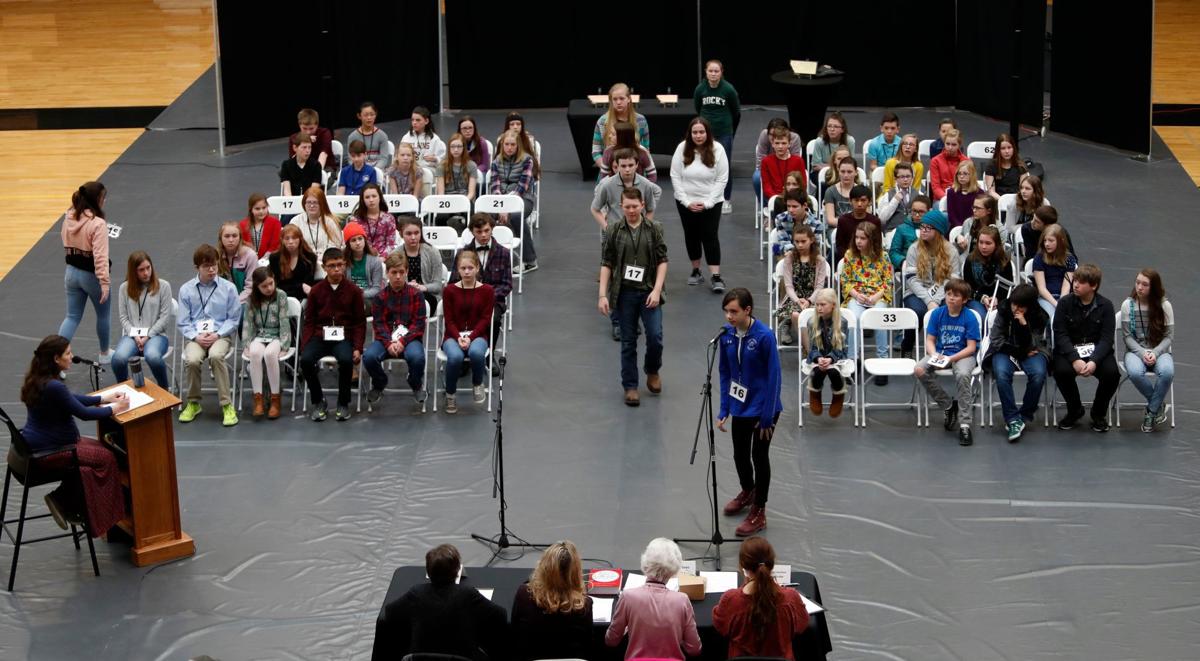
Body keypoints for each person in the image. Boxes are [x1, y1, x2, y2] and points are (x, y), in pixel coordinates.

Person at [19, 335, 130, 535]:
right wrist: (115, 408)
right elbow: (84, 414)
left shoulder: (38, 378)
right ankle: (101, 518)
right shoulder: (53, 386)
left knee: (96, 453)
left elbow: (70, 399)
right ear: (55, 359)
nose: (72, 357)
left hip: (38, 445)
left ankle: (65, 499)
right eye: (68, 353)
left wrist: (103, 397)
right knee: (107, 458)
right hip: (53, 450)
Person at [717, 288, 783, 536]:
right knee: (739, 455)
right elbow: (725, 373)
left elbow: (774, 377)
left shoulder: (765, 336)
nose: (728, 316)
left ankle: (759, 511)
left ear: (748, 310)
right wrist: (725, 408)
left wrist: (767, 416)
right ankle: (748, 490)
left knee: (759, 456)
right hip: (741, 406)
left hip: (765, 408)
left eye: (733, 311)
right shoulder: (727, 337)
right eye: (726, 311)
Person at [600, 188, 668, 406]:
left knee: (655, 336)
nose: (630, 210)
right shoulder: (613, 230)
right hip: (625, 293)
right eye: (626, 206)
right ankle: (630, 385)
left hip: (649, 291)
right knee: (628, 341)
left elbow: (662, 260)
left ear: (642, 205)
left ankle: (652, 370)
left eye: (634, 206)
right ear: (621, 206)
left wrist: (657, 289)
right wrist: (603, 294)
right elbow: (606, 263)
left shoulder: (655, 228)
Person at [380, 544, 507, 661]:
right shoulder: (467, 594)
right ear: (457, 570)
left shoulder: (416, 593)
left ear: (428, 571)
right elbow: (501, 614)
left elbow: (390, 612)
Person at [712, 537, 810, 660]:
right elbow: (802, 625)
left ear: (742, 565)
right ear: (772, 563)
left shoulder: (731, 600)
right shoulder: (791, 598)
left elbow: (719, 624)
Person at [177, 244, 242, 426]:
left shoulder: (229, 288)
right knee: (192, 359)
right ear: (197, 268)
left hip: (220, 336)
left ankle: (227, 405)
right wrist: (196, 336)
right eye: (206, 266)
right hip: (196, 336)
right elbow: (183, 321)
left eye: (214, 264)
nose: (212, 269)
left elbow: (234, 318)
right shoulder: (186, 290)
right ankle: (194, 402)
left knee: (215, 355)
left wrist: (218, 334)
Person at [605, 538, 701, 660]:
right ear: (675, 568)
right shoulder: (682, 600)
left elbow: (611, 641)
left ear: (645, 563)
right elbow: (694, 649)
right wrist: (678, 636)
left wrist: (628, 628)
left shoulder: (628, 597)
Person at [300, 248, 365, 422]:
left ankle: (343, 403)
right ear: (324, 267)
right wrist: (305, 345)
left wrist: (358, 347)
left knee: (346, 360)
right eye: (332, 266)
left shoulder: (354, 291)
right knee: (305, 360)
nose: (336, 269)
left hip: (343, 337)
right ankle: (318, 401)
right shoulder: (316, 291)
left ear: (345, 265)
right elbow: (309, 321)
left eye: (340, 265)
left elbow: (359, 323)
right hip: (320, 335)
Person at [1052, 264, 1119, 432]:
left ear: (1093, 286)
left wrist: (1095, 361)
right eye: (1075, 281)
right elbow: (1060, 334)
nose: (1075, 285)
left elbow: (1106, 339)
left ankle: (1098, 413)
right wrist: (1074, 358)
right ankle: (1075, 410)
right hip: (1070, 351)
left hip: (1096, 352)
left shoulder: (1106, 306)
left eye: (1081, 282)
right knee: (1060, 371)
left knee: (1112, 374)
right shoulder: (1064, 303)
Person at [914, 278, 981, 445]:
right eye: (949, 294)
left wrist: (951, 358)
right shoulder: (938, 313)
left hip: (963, 355)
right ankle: (948, 404)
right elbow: (930, 340)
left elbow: (971, 347)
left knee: (963, 375)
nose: (951, 298)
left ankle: (965, 424)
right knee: (919, 369)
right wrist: (935, 355)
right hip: (941, 353)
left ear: (964, 299)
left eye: (956, 295)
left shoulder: (970, 317)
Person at [982, 283, 1049, 442]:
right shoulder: (1004, 309)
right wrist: (1018, 352)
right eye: (1014, 303)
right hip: (1006, 350)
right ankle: (1012, 418)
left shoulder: (1039, 316)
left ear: (1030, 307)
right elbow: (996, 340)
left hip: (1032, 351)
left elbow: (1035, 344)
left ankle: (1023, 417)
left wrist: (1024, 325)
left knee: (1039, 374)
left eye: (1020, 306)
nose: (1015, 308)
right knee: (1001, 373)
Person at [671, 116, 729, 292]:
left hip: (711, 202)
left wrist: (709, 203)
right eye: (695, 132)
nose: (698, 135)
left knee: (710, 236)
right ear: (690, 134)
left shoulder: (718, 149)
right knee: (691, 235)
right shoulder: (682, 148)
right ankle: (696, 270)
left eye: (701, 132)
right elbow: (675, 176)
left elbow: (722, 178)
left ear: (707, 133)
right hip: (686, 202)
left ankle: (716, 276)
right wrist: (686, 202)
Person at [510, 541, 593, 661]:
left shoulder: (523, 594)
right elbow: (588, 647)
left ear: (544, 568)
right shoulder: (584, 605)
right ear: (575, 572)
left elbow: (515, 635)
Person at [58, 181, 112, 363]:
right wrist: (104, 282)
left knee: (71, 317)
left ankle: (54, 362)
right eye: (103, 198)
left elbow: (64, 240)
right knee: (103, 315)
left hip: (71, 273)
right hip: (91, 276)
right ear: (97, 200)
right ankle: (104, 354)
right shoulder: (97, 224)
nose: (104, 201)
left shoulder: (69, 217)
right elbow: (100, 257)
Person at [365, 253, 428, 407]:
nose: (398, 276)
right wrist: (389, 343)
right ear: (387, 273)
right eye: (394, 272)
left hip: (410, 339)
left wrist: (401, 341)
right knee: (369, 356)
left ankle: (415, 383)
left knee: (418, 357)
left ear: (406, 271)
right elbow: (379, 325)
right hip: (386, 339)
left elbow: (418, 324)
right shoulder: (379, 297)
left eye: (401, 272)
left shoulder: (416, 295)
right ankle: (380, 382)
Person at [1121, 268, 1174, 432]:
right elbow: (1127, 337)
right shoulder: (1127, 305)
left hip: (1159, 350)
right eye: (1137, 283)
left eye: (1145, 284)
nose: (1139, 287)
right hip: (1135, 351)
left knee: (1167, 372)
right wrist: (1143, 353)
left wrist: (1155, 352)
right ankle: (1157, 406)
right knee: (1135, 372)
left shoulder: (1165, 306)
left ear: (1154, 287)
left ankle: (1151, 412)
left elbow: (1169, 336)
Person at [441, 250, 494, 414]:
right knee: (455, 357)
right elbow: (448, 320)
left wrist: (470, 337)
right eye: (463, 268)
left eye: (470, 268)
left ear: (477, 268)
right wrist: (458, 337)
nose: (467, 271)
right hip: (453, 335)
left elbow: (485, 319)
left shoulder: (487, 290)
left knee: (477, 353)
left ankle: (477, 383)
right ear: (457, 269)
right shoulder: (449, 290)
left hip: (477, 334)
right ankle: (450, 394)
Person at [902, 211, 959, 356]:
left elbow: (951, 281)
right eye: (922, 227)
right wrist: (928, 300)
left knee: (947, 310)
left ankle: (944, 350)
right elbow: (912, 280)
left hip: (944, 292)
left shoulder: (950, 250)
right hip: (916, 292)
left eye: (928, 228)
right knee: (917, 312)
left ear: (938, 230)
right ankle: (907, 347)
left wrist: (936, 299)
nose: (923, 230)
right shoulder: (914, 249)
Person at [112, 251, 172, 387]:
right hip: (132, 336)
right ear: (133, 272)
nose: (146, 273)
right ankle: (126, 391)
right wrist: (135, 336)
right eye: (141, 270)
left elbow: (164, 318)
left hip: (156, 336)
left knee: (153, 357)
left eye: (148, 268)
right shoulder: (124, 288)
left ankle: (164, 390)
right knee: (118, 359)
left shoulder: (164, 286)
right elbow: (123, 317)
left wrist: (147, 336)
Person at [839, 223, 893, 371]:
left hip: (877, 296)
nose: (858, 241)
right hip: (856, 296)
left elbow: (888, 282)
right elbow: (845, 281)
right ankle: (853, 359)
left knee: (879, 318)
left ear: (872, 239)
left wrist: (876, 297)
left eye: (863, 238)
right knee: (854, 318)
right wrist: (856, 295)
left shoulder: (883, 256)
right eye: (856, 237)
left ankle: (882, 361)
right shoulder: (850, 255)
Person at [242, 266, 290, 419]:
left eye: (271, 283)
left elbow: (284, 321)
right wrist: (247, 345)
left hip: (276, 336)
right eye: (264, 286)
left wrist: (284, 345)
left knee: (270, 354)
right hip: (260, 335)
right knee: (255, 353)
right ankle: (258, 399)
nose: (269, 288)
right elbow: (248, 323)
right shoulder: (251, 299)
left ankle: (275, 399)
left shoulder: (281, 295)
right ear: (257, 286)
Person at [693, 59, 741, 212]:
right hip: (705, 134)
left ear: (721, 73)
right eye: (710, 71)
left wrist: (729, 128)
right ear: (706, 72)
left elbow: (736, 112)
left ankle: (726, 199)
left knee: (724, 165)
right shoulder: (700, 89)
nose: (713, 74)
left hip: (724, 132)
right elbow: (697, 107)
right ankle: (706, 195)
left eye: (716, 71)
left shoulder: (728, 90)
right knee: (703, 163)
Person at [451, 214, 511, 334]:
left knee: (493, 319)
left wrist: (486, 297)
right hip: (466, 299)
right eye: (479, 231)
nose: (483, 235)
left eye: (486, 230)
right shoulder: (462, 253)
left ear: (492, 229)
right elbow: (453, 282)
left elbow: (506, 285)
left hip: (494, 301)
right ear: (472, 232)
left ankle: (489, 352)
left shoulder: (504, 253)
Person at [490, 129, 540, 272]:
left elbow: (522, 187)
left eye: (513, 144)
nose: (510, 147)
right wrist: (501, 207)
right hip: (500, 201)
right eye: (507, 144)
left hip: (523, 199)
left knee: (516, 216)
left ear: (518, 145)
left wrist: (507, 207)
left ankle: (530, 261)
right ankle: (489, 257)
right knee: (484, 216)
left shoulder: (527, 160)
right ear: (502, 145)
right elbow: (495, 187)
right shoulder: (495, 162)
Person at [776, 225, 829, 344]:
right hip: (794, 298)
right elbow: (788, 286)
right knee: (795, 314)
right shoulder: (789, 258)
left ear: (811, 240)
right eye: (797, 242)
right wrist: (797, 300)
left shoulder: (820, 260)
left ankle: (813, 344)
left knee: (813, 313)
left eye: (803, 241)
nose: (800, 245)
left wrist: (809, 301)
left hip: (814, 298)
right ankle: (807, 348)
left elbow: (819, 287)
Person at [803, 288, 851, 418]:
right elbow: (812, 348)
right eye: (817, 304)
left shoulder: (843, 322)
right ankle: (815, 392)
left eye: (823, 304)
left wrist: (830, 358)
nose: (819, 308)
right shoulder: (812, 322)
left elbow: (841, 349)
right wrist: (818, 358)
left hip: (838, 357)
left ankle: (838, 394)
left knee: (833, 371)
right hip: (817, 357)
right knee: (819, 370)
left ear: (833, 305)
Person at [591, 148, 663, 235]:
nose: (627, 169)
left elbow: (651, 209)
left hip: (638, 233)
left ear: (637, 165)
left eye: (631, 165)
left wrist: (645, 229)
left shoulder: (646, 184)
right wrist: (606, 228)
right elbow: (595, 209)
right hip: (614, 233)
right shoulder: (607, 185)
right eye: (623, 166)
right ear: (617, 166)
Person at [591, 82, 650, 169]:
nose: (618, 102)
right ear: (611, 101)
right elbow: (596, 152)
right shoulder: (602, 122)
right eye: (615, 99)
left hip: (636, 172)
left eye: (622, 98)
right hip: (609, 173)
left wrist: (635, 169)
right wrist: (607, 169)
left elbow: (646, 149)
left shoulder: (641, 120)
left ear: (629, 99)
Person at [396, 216, 448, 310]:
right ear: (401, 234)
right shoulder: (395, 254)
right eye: (408, 233)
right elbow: (392, 283)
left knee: (417, 300)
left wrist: (421, 287)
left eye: (416, 233)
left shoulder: (432, 252)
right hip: (402, 295)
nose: (413, 237)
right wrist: (407, 287)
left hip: (428, 295)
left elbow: (437, 286)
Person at [962, 225, 1012, 320]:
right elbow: (967, 288)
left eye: (988, 243)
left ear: (996, 244)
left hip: (999, 299)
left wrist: (996, 298)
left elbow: (1007, 286)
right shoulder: (970, 260)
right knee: (982, 316)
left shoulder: (1004, 261)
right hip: (976, 298)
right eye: (981, 242)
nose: (983, 247)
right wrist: (983, 298)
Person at [295, 185, 345, 279]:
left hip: (327, 263)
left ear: (322, 204)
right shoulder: (295, 222)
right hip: (303, 262)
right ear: (304, 204)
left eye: (315, 203)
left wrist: (321, 259)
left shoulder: (331, 222)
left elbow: (335, 247)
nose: (312, 205)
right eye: (308, 202)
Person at [1032, 224, 1077, 316]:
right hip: (1045, 298)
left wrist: (1062, 302)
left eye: (1051, 241)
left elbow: (1066, 285)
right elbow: (1041, 288)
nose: (1047, 244)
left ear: (1061, 241)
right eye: (1045, 240)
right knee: (1054, 316)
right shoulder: (1039, 258)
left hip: (1064, 297)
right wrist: (1056, 304)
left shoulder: (1069, 259)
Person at [346, 182, 398, 258]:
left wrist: (382, 258)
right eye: (367, 197)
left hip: (384, 258)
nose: (371, 200)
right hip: (361, 258)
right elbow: (352, 243)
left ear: (380, 197)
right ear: (362, 200)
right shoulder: (355, 220)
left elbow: (391, 244)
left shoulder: (389, 218)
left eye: (374, 196)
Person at [832, 184, 881, 262]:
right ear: (850, 201)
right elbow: (840, 246)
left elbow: (877, 245)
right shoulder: (843, 220)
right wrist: (851, 258)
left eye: (863, 200)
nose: (859, 204)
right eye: (856, 200)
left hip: (870, 259)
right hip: (848, 260)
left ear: (869, 201)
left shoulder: (875, 221)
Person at [268, 224, 317, 301]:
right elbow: (277, 284)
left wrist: (300, 287)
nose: (290, 242)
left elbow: (308, 285)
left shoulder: (310, 257)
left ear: (300, 239)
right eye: (287, 239)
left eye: (294, 238)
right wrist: (300, 286)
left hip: (302, 298)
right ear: (282, 240)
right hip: (280, 296)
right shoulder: (275, 257)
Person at [760, 126, 806, 202]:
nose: (780, 146)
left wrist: (794, 196)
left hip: (795, 198)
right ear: (772, 144)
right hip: (775, 198)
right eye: (777, 143)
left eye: (784, 143)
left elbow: (803, 183)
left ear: (789, 144)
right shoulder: (766, 161)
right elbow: (766, 185)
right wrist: (776, 197)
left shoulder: (798, 161)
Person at [435, 132, 480, 209]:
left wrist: (463, 202)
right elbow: (441, 193)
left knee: (470, 212)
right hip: (447, 201)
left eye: (459, 146)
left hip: (465, 199)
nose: (456, 150)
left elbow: (471, 193)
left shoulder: (471, 165)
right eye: (453, 146)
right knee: (440, 217)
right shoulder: (441, 166)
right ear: (449, 148)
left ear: (464, 148)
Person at [810, 111, 855, 186]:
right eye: (829, 126)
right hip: (823, 172)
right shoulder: (819, 141)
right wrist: (833, 167)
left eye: (836, 127)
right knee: (824, 181)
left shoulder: (850, 141)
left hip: (844, 170)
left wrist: (838, 168)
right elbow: (816, 166)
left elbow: (851, 162)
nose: (832, 129)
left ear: (842, 129)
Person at [771, 190, 821, 258]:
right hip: (787, 253)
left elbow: (814, 247)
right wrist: (792, 253)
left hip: (807, 255)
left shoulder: (817, 224)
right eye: (788, 206)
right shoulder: (780, 219)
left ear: (805, 205)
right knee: (776, 248)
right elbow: (784, 242)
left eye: (794, 206)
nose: (790, 210)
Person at [343, 222, 383, 306]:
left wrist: (359, 295)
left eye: (360, 238)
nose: (358, 243)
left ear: (364, 240)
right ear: (348, 244)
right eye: (353, 240)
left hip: (368, 299)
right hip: (348, 299)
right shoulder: (344, 262)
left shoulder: (375, 261)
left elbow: (377, 289)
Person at [888, 194, 930, 272]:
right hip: (908, 269)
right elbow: (893, 252)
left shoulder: (934, 229)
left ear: (929, 211)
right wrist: (903, 261)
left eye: (921, 212)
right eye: (914, 211)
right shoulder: (902, 229)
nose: (917, 215)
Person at [216, 221, 256, 302]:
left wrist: (235, 302)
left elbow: (250, 287)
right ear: (221, 238)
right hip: (222, 301)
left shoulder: (250, 255)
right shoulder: (215, 256)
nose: (231, 240)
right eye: (227, 236)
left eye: (234, 236)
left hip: (245, 301)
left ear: (240, 238)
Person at [346, 101, 391, 169]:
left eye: (372, 114)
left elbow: (384, 158)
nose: (369, 118)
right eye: (366, 115)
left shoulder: (382, 135)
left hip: (377, 170)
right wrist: (362, 170)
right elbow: (350, 159)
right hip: (359, 169)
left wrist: (373, 171)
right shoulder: (352, 137)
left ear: (375, 115)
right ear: (359, 116)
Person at [400, 106, 446, 171]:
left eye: (418, 120)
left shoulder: (434, 139)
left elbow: (443, 159)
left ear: (426, 121)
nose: (414, 122)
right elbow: (399, 156)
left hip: (428, 170)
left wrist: (436, 159)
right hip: (409, 170)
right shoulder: (406, 138)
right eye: (412, 120)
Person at [877, 162, 919, 232]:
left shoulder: (918, 194)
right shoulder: (888, 195)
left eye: (908, 176)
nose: (905, 180)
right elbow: (882, 219)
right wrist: (895, 201)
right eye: (902, 177)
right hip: (893, 231)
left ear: (912, 178)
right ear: (895, 178)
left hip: (913, 231)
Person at [290, 107, 334, 172]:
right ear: (299, 125)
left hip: (325, 166)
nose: (308, 132)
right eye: (304, 128)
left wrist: (316, 173)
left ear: (317, 125)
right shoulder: (294, 138)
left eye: (311, 128)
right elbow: (294, 159)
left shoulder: (324, 133)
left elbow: (323, 154)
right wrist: (306, 140)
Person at [822, 155, 860, 228]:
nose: (845, 175)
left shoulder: (862, 191)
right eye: (842, 172)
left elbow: (867, 216)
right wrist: (849, 224)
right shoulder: (830, 191)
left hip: (858, 228)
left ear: (856, 172)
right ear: (838, 171)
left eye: (849, 172)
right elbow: (830, 220)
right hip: (837, 228)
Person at [929, 129, 968, 201]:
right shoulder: (935, 161)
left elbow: (969, 184)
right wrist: (947, 199)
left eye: (954, 145)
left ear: (959, 145)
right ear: (944, 143)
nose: (950, 147)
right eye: (947, 144)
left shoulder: (967, 161)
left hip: (961, 198)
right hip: (941, 199)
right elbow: (936, 187)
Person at [279, 133, 322, 197]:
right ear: (295, 148)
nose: (308, 151)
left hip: (310, 200)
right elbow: (287, 189)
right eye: (304, 147)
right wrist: (291, 201)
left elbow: (314, 190)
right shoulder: (286, 165)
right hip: (293, 200)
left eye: (309, 147)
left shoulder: (316, 165)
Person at [239, 193, 281, 258]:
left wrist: (264, 260)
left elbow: (275, 245)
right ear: (251, 209)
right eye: (257, 209)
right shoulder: (242, 224)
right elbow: (242, 244)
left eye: (264, 208)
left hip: (269, 259)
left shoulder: (275, 223)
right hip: (248, 258)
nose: (261, 211)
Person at [985, 133, 1026, 198]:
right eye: (1003, 148)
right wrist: (1002, 201)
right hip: (997, 199)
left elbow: (1023, 189)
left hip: (1016, 199)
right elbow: (991, 191)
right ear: (998, 150)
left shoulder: (1021, 166)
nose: (1007, 151)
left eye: (1009, 147)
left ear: (1014, 148)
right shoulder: (991, 166)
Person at [945, 160, 980, 229]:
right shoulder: (951, 192)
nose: (961, 176)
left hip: (974, 228)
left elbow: (979, 214)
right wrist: (960, 228)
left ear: (972, 175)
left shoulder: (979, 193)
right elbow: (952, 216)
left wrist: (968, 228)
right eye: (959, 173)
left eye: (965, 174)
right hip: (956, 227)